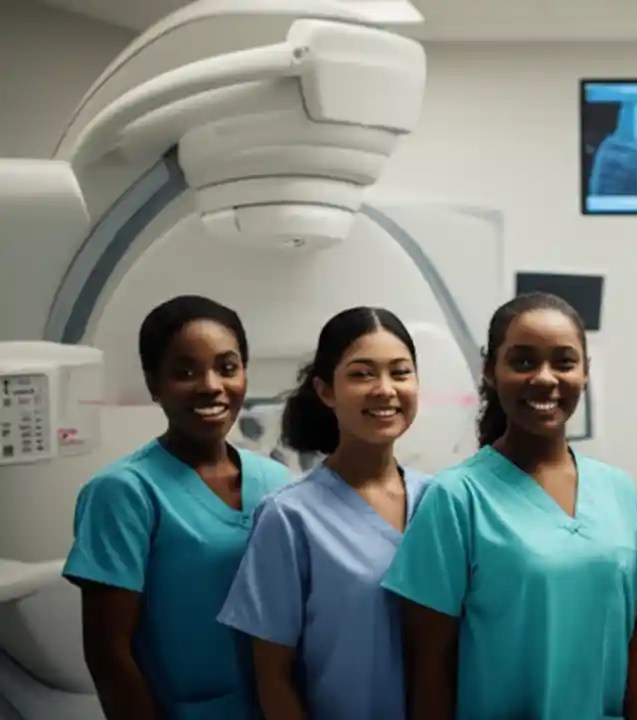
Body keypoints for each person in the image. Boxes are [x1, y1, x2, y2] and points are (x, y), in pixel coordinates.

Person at [382, 292, 637, 720]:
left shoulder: (617, 491)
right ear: (491, 371)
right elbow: (430, 666)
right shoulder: (457, 498)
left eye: (563, 362)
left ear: (585, 373)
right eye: (523, 361)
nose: (545, 378)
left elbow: (632, 640)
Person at [62, 295, 292, 720]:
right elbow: (109, 655)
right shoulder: (124, 493)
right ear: (154, 384)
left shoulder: (277, 483)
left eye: (227, 367)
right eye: (185, 372)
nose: (211, 385)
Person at [216, 307, 430, 720]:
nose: (385, 389)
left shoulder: (441, 502)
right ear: (325, 390)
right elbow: (272, 677)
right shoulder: (291, 517)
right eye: (362, 373)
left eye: (400, 372)